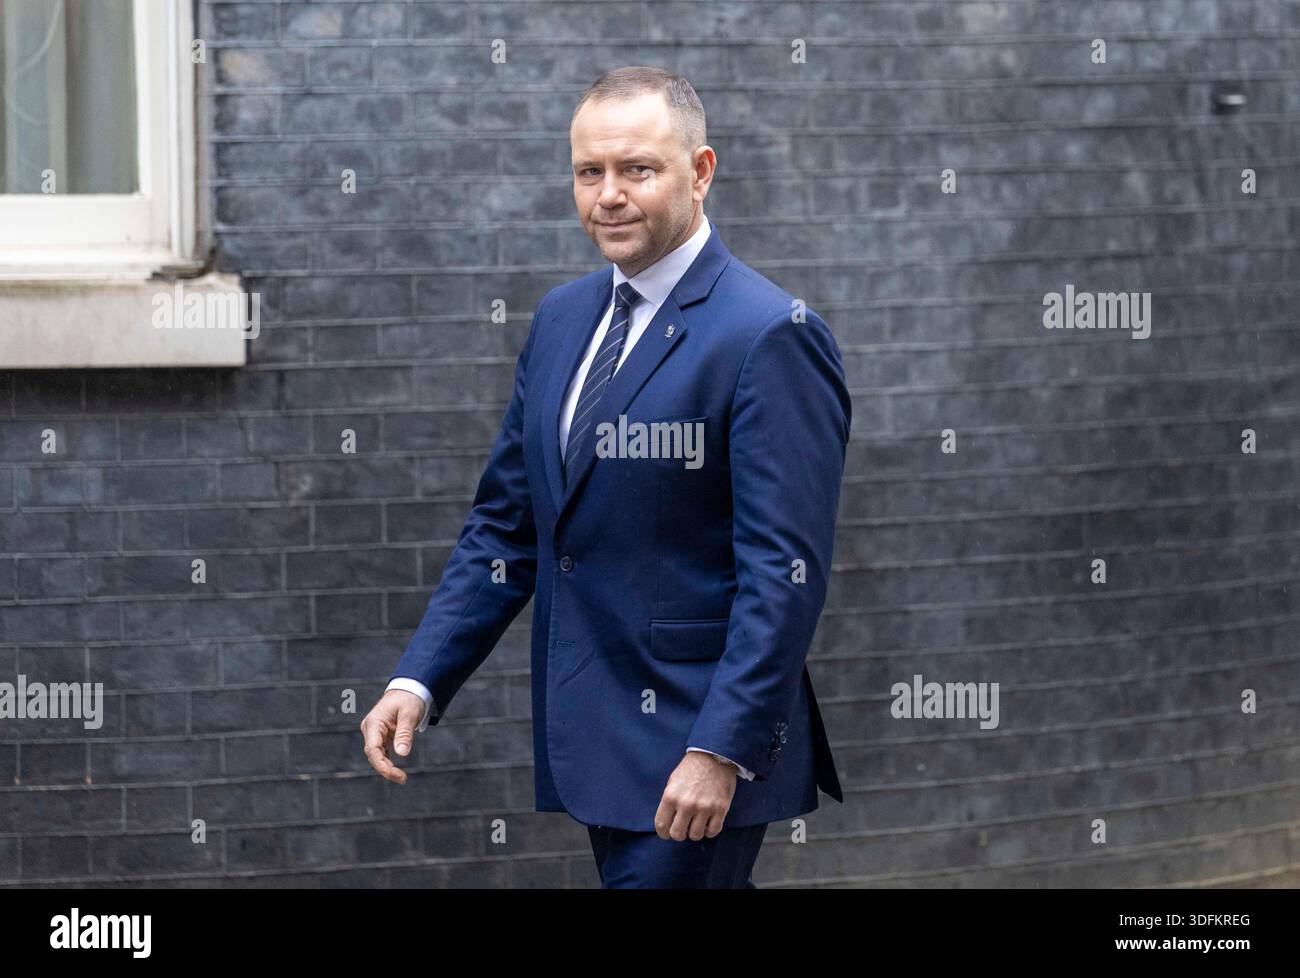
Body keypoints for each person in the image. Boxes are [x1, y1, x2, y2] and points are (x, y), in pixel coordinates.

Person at [361, 65, 848, 888]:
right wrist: (421, 675)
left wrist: (720, 749)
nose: (609, 195)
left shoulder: (770, 336)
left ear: (700, 172)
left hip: (696, 746)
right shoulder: (562, 319)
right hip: (595, 736)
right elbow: (509, 526)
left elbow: (783, 575)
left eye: (638, 169)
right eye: (590, 171)